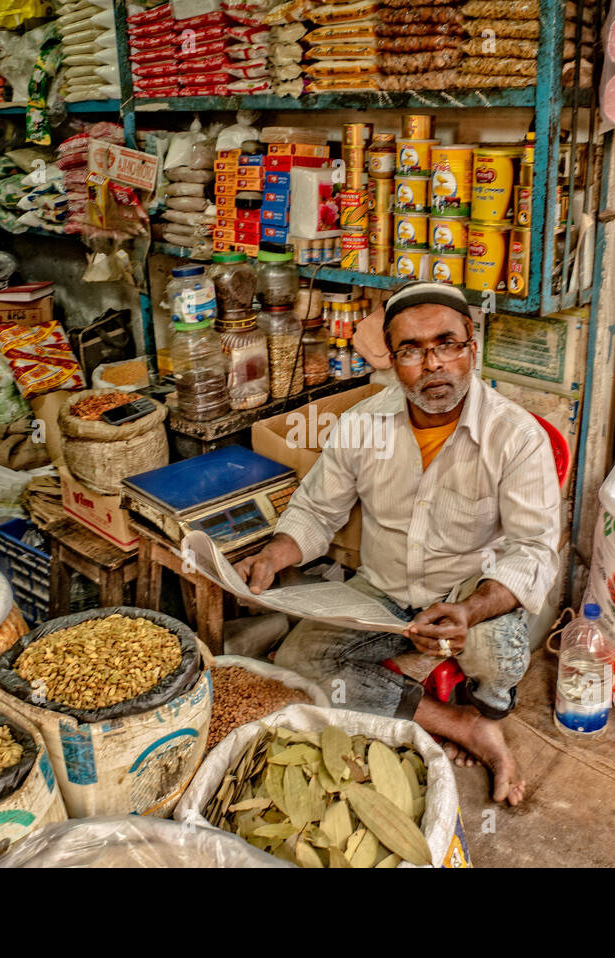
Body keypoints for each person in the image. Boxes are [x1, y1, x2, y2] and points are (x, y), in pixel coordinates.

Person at [233, 281, 562, 806]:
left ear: (472, 348)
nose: (432, 364)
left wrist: (470, 610)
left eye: (447, 344)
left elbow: (533, 551)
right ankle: (461, 724)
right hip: (380, 592)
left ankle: (490, 707)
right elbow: (318, 510)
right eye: (410, 350)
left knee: (497, 651)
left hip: (465, 595)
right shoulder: (361, 426)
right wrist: (275, 554)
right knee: (299, 664)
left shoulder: (516, 436)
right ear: (394, 359)